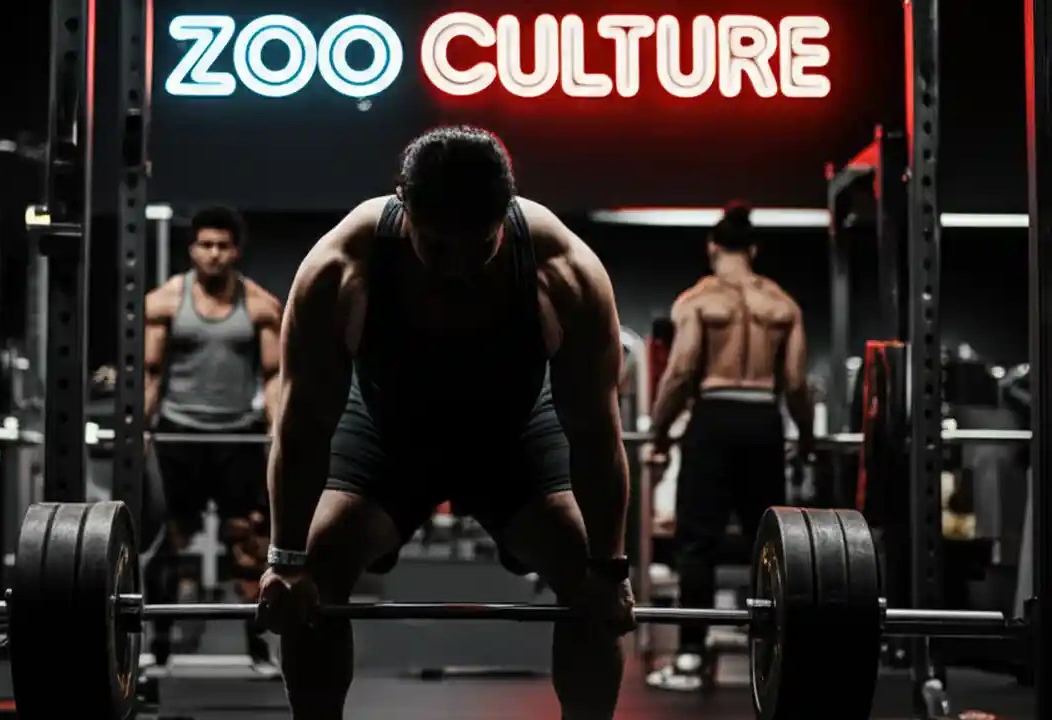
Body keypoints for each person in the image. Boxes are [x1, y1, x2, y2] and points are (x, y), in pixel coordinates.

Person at [255, 125, 636, 720]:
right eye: (436, 247)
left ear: (504, 214)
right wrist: (285, 560)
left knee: (582, 563)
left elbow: (594, 433)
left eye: (477, 246)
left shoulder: (563, 271)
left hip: (512, 440)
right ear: (402, 205)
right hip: (388, 437)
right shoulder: (340, 266)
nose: (456, 267)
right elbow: (303, 425)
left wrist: (609, 570)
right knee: (320, 561)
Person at [644, 203, 813, 691]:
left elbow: (679, 373)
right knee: (772, 546)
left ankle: (692, 657)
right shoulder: (783, 306)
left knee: (697, 543)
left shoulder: (697, 301)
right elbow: (798, 383)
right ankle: (775, 656)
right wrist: (803, 436)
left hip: (713, 417)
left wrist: (658, 435)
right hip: (764, 418)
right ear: (754, 250)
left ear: (712, 247)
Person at [143, 204, 283, 665]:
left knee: (247, 541)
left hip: (237, 436)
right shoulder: (163, 302)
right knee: (172, 540)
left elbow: (274, 378)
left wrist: (280, 433)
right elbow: (150, 375)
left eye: (223, 245)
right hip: (178, 434)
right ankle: (159, 643)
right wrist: (138, 431)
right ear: (192, 248)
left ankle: (257, 645)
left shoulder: (261, 306)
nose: (214, 254)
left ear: (236, 250)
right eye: (206, 244)